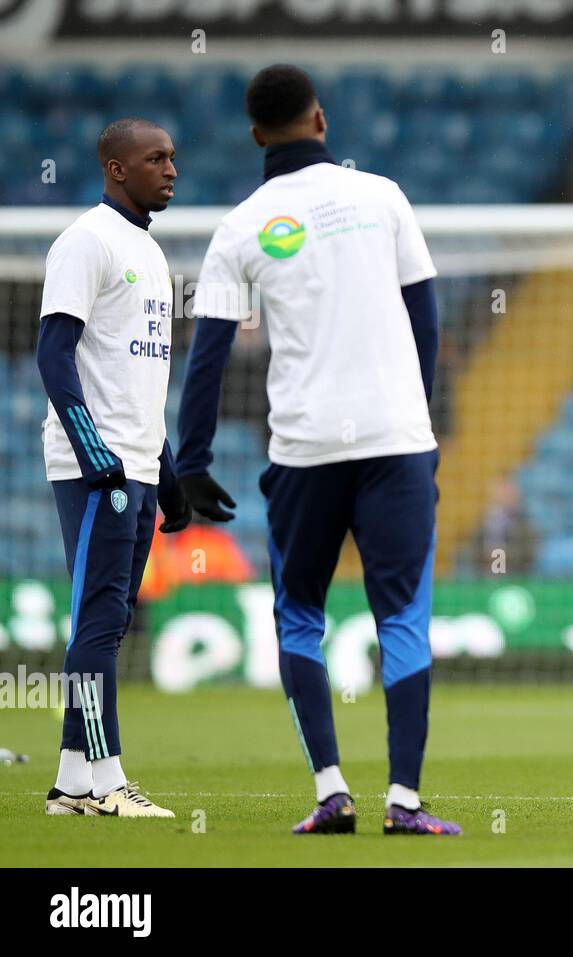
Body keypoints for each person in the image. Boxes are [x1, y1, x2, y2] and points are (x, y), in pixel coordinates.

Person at [176, 65, 458, 837]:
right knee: (401, 616)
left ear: (257, 134)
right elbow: (425, 318)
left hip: (302, 448)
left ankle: (332, 790)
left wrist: (191, 460)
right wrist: (416, 412)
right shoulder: (384, 196)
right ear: (322, 118)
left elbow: (207, 354)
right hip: (394, 441)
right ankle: (405, 799)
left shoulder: (240, 227)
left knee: (300, 615)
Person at [36, 118, 190, 818]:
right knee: (98, 621)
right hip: (96, 467)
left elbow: (135, 379)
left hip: (138, 464)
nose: (171, 169)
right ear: (114, 167)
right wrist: (96, 450)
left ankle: (71, 782)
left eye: (173, 158)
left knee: (113, 618)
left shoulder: (150, 254)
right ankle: (108, 781)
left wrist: (168, 469)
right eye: (154, 158)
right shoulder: (87, 241)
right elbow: (52, 354)